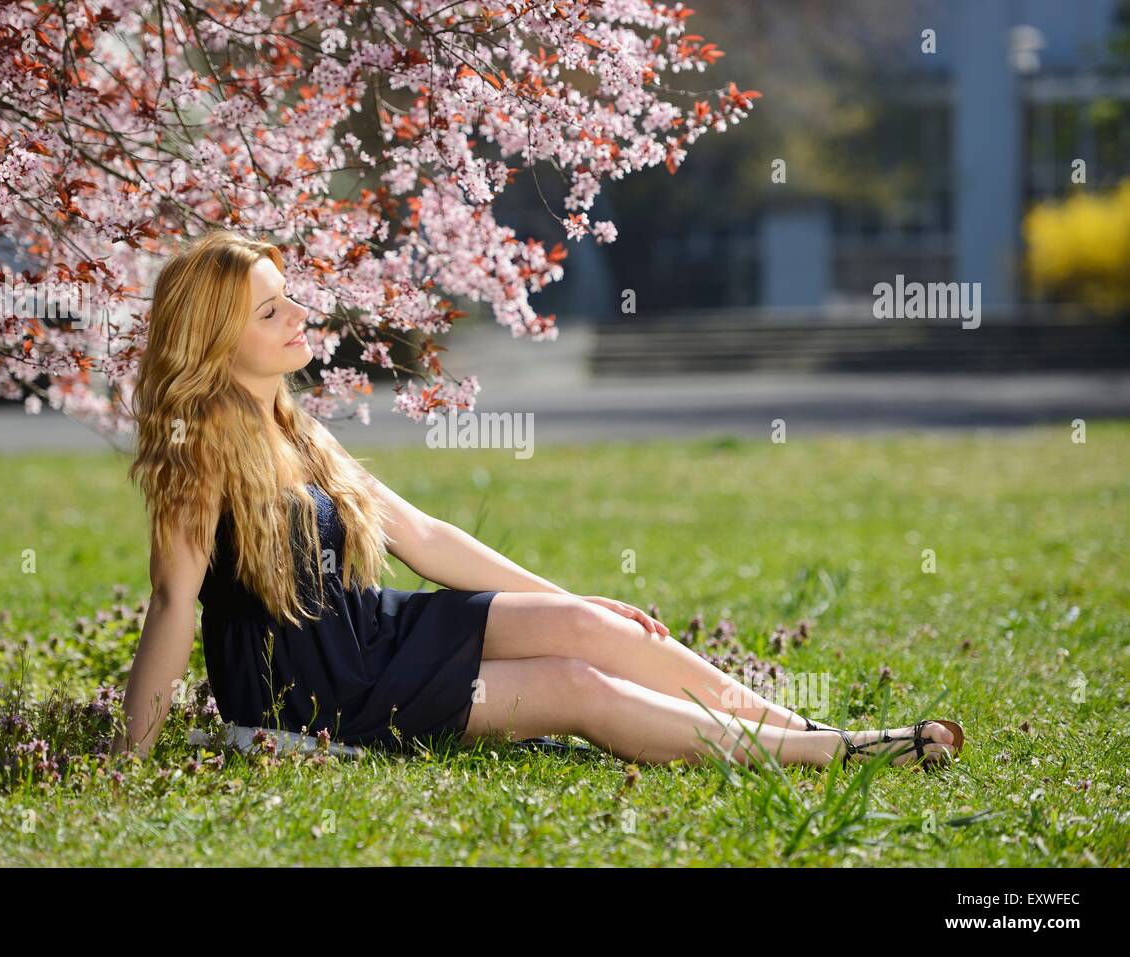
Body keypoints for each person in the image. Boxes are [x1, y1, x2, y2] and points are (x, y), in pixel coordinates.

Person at [109, 230, 965, 770]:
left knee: (600, 631)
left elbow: (424, 534)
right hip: (322, 690)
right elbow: (172, 604)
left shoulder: (297, 428)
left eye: (290, 293)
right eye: (271, 309)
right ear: (220, 340)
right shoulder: (200, 454)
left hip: (375, 630)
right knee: (577, 686)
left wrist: (566, 600)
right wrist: (129, 758)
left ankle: (804, 726)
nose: (301, 311)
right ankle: (835, 753)